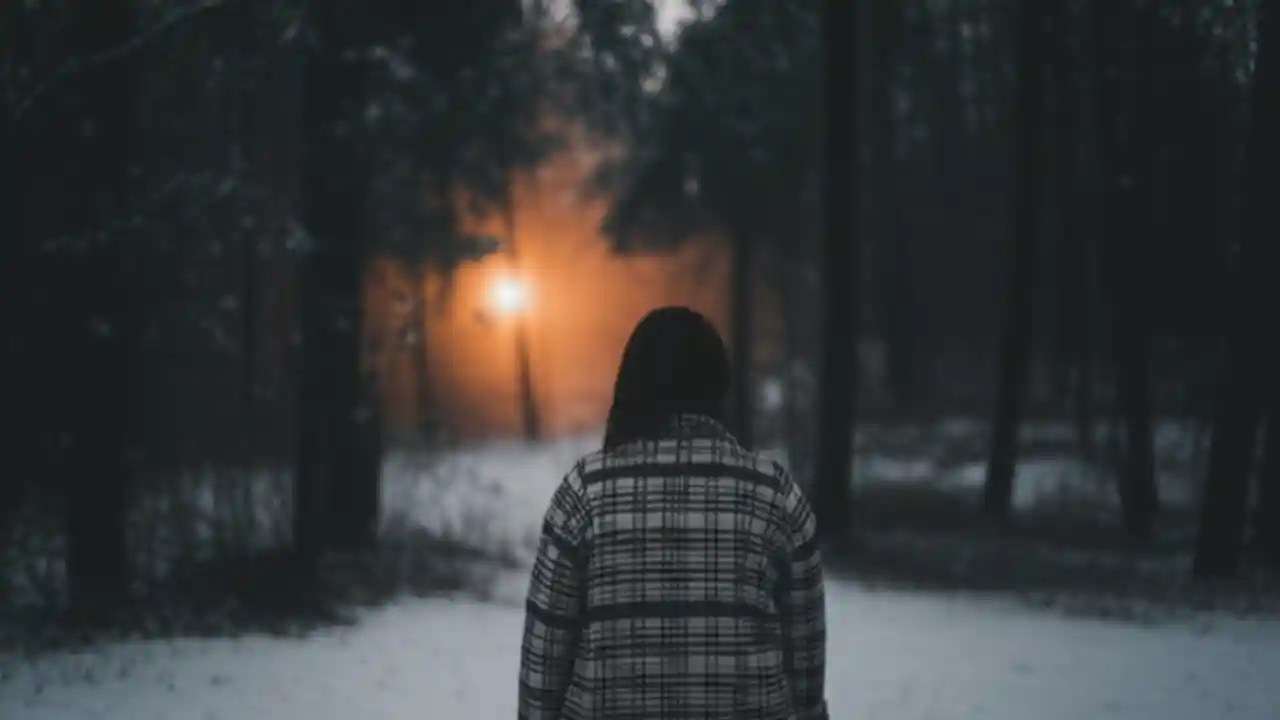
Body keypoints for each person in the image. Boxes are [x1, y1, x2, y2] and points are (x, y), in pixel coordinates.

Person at [518, 306, 828, 719]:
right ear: (720, 385)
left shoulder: (585, 492)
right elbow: (805, 658)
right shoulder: (774, 494)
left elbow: (545, 657)